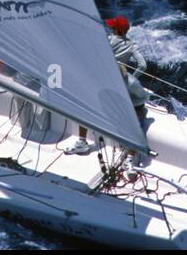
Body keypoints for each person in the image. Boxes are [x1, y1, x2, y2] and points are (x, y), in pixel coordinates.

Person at [64, 16, 150, 155]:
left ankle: (82, 142)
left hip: (102, 80)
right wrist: (131, 76)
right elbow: (143, 65)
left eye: (112, 27)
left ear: (115, 29)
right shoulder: (133, 45)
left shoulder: (108, 40)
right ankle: (133, 147)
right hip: (122, 80)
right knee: (139, 106)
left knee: (87, 106)